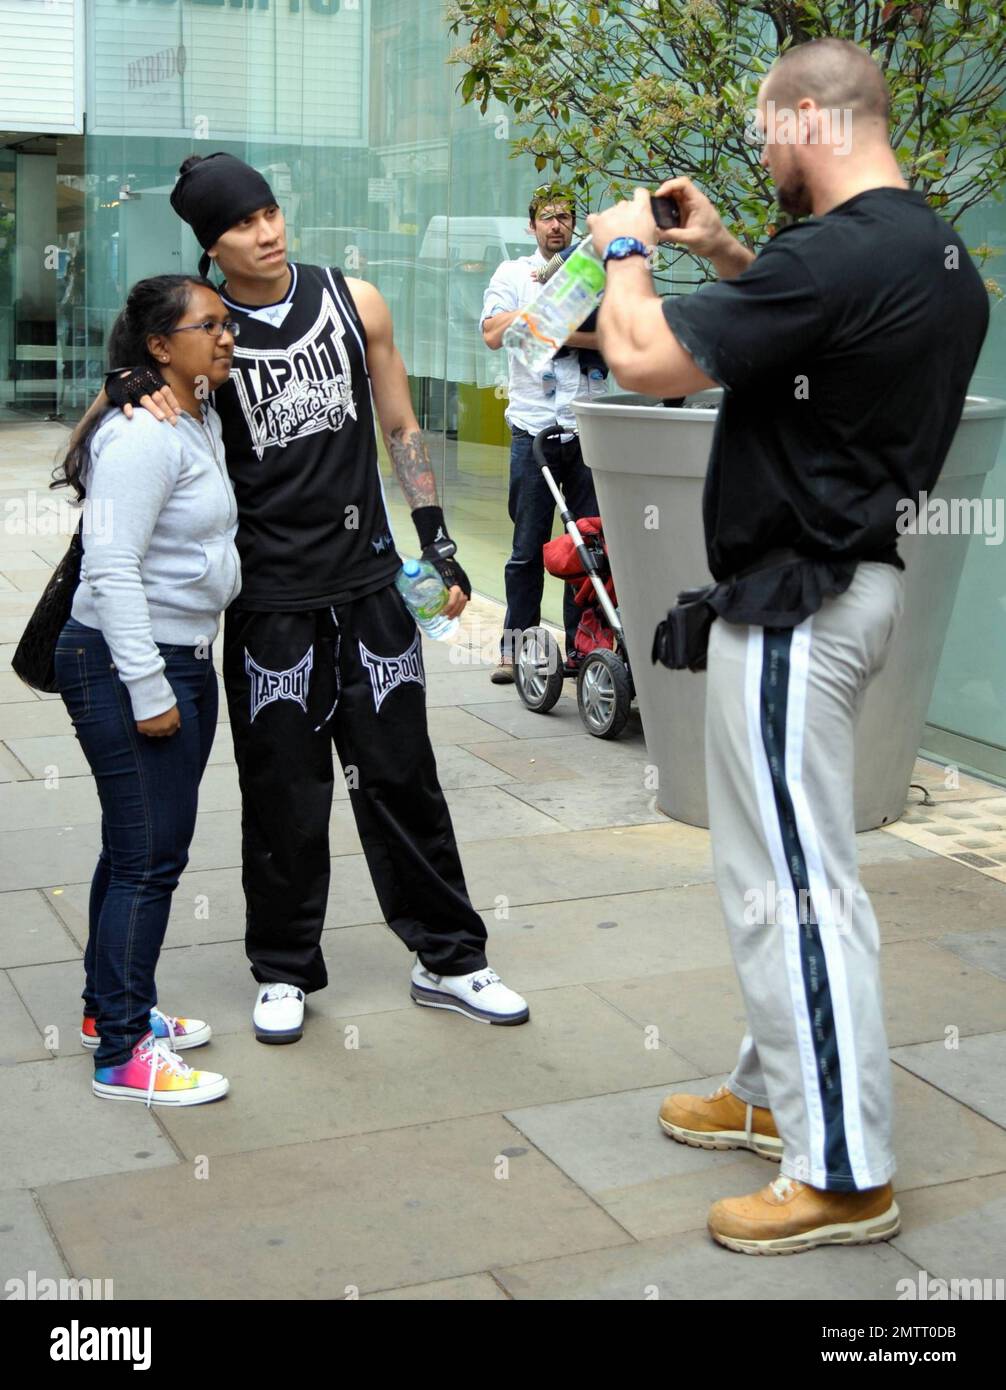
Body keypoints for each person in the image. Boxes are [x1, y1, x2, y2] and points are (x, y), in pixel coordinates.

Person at [586, 38, 989, 1254]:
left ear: (811, 116)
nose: (762, 150)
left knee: (793, 891)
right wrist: (718, 253)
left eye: (768, 128)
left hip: (795, 603)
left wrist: (622, 250)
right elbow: (820, 342)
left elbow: (649, 363)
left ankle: (844, 1171)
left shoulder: (832, 256)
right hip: (846, 587)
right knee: (780, 872)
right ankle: (771, 1096)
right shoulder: (934, 255)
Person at [93, 153, 529, 1042]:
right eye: (243, 222)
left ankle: (450, 956)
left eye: (270, 210)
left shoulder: (354, 300)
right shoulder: (204, 336)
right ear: (211, 246)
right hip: (270, 604)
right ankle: (284, 968)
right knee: (282, 794)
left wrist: (437, 538)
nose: (267, 229)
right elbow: (112, 418)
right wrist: (126, 387)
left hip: (371, 588)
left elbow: (401, 424)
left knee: (404, 777)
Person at [54, 274, 242, 1106]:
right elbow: (111, 566)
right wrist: (148, 686)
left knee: (134, 847)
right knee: (149, 861)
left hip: (181, 655)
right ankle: (125, 1054)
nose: (228, 338)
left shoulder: (195, 413)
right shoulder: (142, 435)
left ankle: (107, 1011)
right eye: (210, 327)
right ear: (161, 345)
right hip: (132, 659)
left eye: (229, 324)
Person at [481, 185, 607, 684]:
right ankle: (514, 648)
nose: (557, 225)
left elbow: (613, 337)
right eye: (548, 217)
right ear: (531, 225)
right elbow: (494, 333)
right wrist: (553, 315)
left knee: (586, 543)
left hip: (586, 429)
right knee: (526, 546)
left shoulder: (593, 275)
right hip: (532, 429)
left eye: (566, 217)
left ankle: (579, 647)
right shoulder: (512, 274)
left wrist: (543, 326)